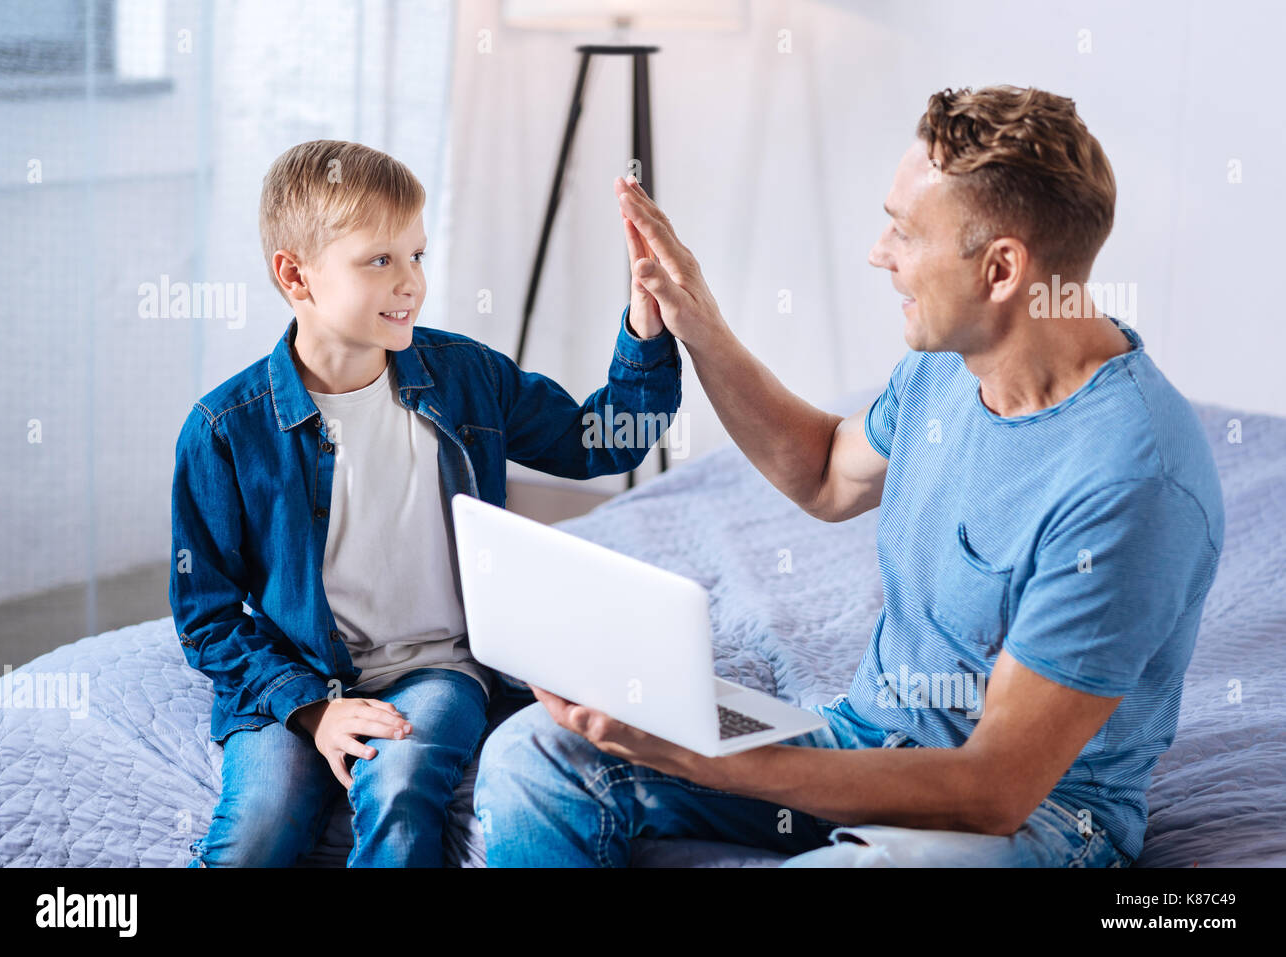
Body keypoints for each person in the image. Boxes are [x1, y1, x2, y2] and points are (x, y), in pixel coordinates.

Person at [473, 85, 1225, 867]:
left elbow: (994, 787)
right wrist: (702, 326)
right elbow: (829, 474)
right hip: (865, 736)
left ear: (1001, 270)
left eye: (903, 230)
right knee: (539, 749)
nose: (880, 252)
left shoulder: (1131, 485)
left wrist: (701, 755)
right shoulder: (946, 369)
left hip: (1035, 818)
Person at [169, 139, 680, 867]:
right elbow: (206, 614)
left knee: (401, 786)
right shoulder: (224, 429)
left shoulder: (463, 375)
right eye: (380, 260)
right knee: (258, 826)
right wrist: (311, 707)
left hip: (437, 668)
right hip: (297, 673)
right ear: (296, 275)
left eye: (417, 256)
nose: (411, 282)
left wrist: (645, 327)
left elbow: (601, 442)